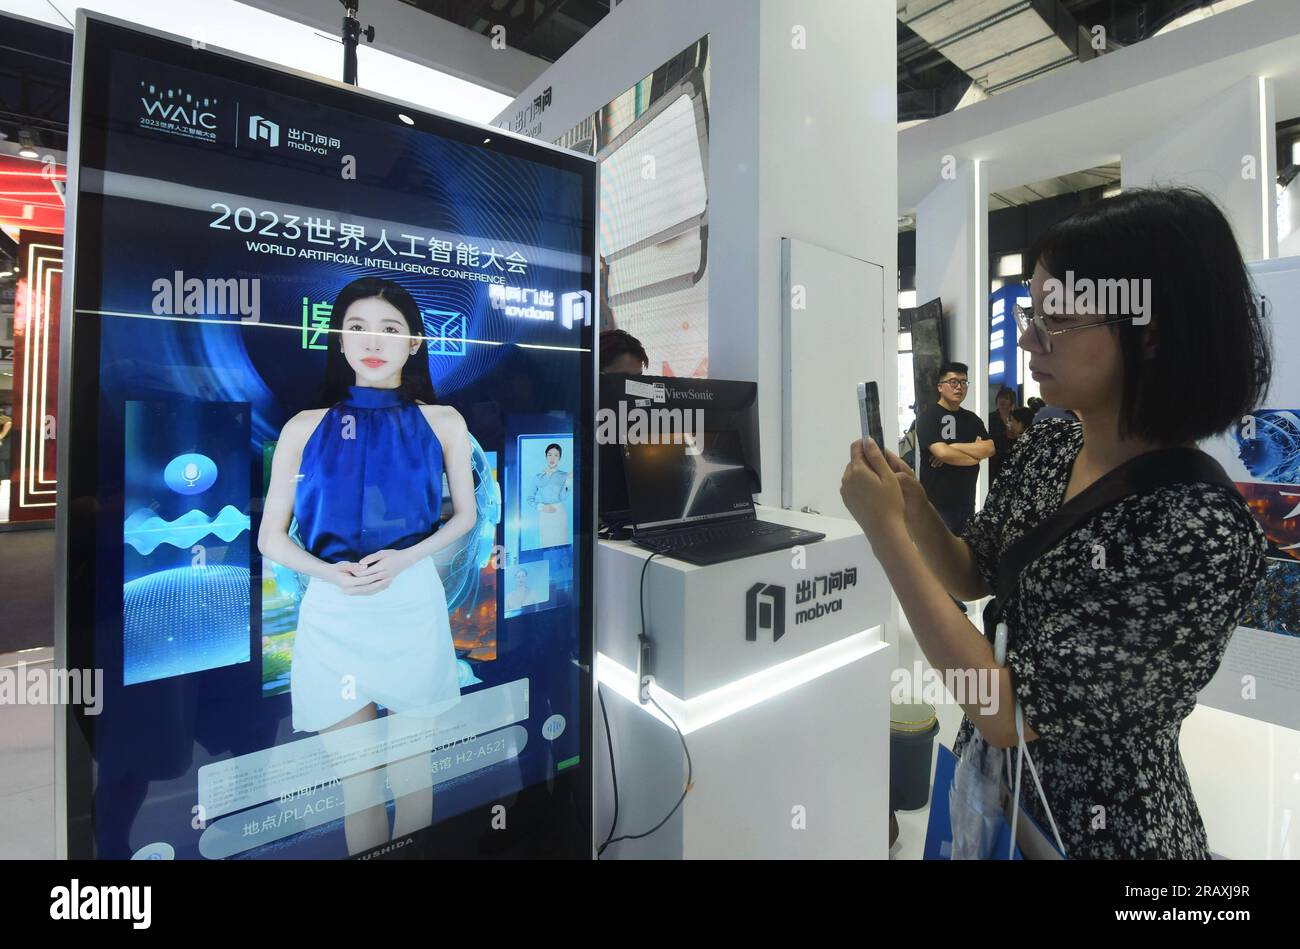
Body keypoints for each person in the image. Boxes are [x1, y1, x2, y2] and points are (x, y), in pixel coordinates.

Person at [840, 187, 1270, 858]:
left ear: (1150, 331)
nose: (1028, 337)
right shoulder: (1052, 442)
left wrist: (887, 536)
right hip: (990, 790)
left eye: (1056, 317)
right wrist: (913, 508)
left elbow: (1007, 709)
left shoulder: (1200, 529)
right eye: (1029, 312)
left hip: (1098, 830)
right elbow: (974, 569)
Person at [258, 276, 478, 855]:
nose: (371, 341)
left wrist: (406, 557)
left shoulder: (444, 421)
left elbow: (465, 518)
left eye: (389, 329)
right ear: (338, 340)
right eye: (356, 328)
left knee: (412, 779)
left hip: (411, 605)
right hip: (335, 611)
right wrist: (328, 574)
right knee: (357, 786)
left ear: (414, 344)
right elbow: (270, 539)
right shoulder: (302, 427)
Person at [914, 361, 994, 534]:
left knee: (965, 554)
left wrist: (954, 446)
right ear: (940, 387)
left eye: (964, 382)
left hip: (966, 501)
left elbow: (989, 448)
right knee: (938, 558)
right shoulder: (929, 417)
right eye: (953, 382)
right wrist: (974, 456)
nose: (960, 387)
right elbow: (941, 452)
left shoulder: (971, 419)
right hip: (937, 504)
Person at [529, 443, 572, 547]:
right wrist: (542, 507)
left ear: (560, 458)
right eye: (550, 454)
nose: (552, 458)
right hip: (544, 513)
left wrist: (568, 481)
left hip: (559, 512)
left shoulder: (564, 475)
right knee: (545, 543)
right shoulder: (538, 477)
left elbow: (563, 497)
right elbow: (529, 498)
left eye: (556, 455)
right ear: (546, 456)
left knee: (561, 543)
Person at [988, 386, 1016, 483]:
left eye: (1006, 398)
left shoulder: (1017, 417)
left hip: (1012, 461)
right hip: (993, 462)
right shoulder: (990, 418)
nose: (1002, 400)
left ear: (1012, 402)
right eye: (1000, 397)